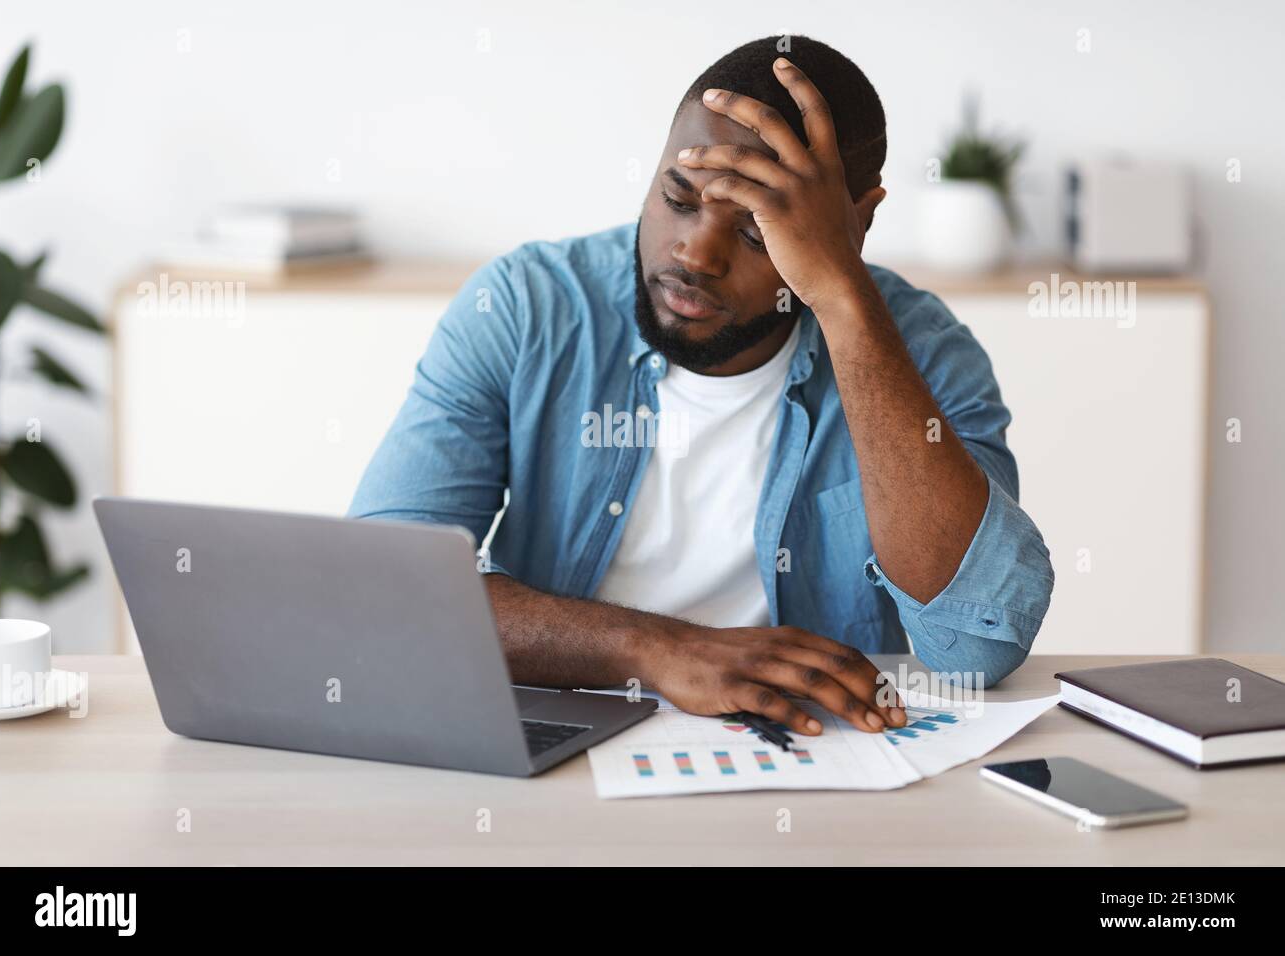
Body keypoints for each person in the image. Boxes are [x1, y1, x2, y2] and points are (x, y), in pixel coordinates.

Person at [349, 35, 1054, 736]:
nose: (695, 252)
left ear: (854, 224)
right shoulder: (524, 307)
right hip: (569, 742)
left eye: (755, 233)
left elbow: (977, 648)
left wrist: (844, 303)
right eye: (677, 198)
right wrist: (656, 649)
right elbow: (383, 593)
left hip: (813, 760)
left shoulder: (924, 354)